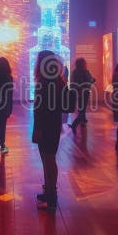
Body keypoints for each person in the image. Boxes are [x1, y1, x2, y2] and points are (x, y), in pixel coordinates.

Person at [32, 50, 73, 210]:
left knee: (47, 159)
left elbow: (40, 108)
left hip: (45, 125)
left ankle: (51, 197)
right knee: (48, 159)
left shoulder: (45, 82)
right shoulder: (57, 80)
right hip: (52, 123)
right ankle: (49, 191)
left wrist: (38, 128)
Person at [69, 57, 96, 133]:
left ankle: (83, 121)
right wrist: (93, 80)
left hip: (77, 92)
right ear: (83, 64)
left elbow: (72, 83)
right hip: (85, 92)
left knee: (81, 108)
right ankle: (74, 124)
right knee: (82, 109)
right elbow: (90, 80)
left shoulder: (74, 72)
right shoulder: (85, 71)